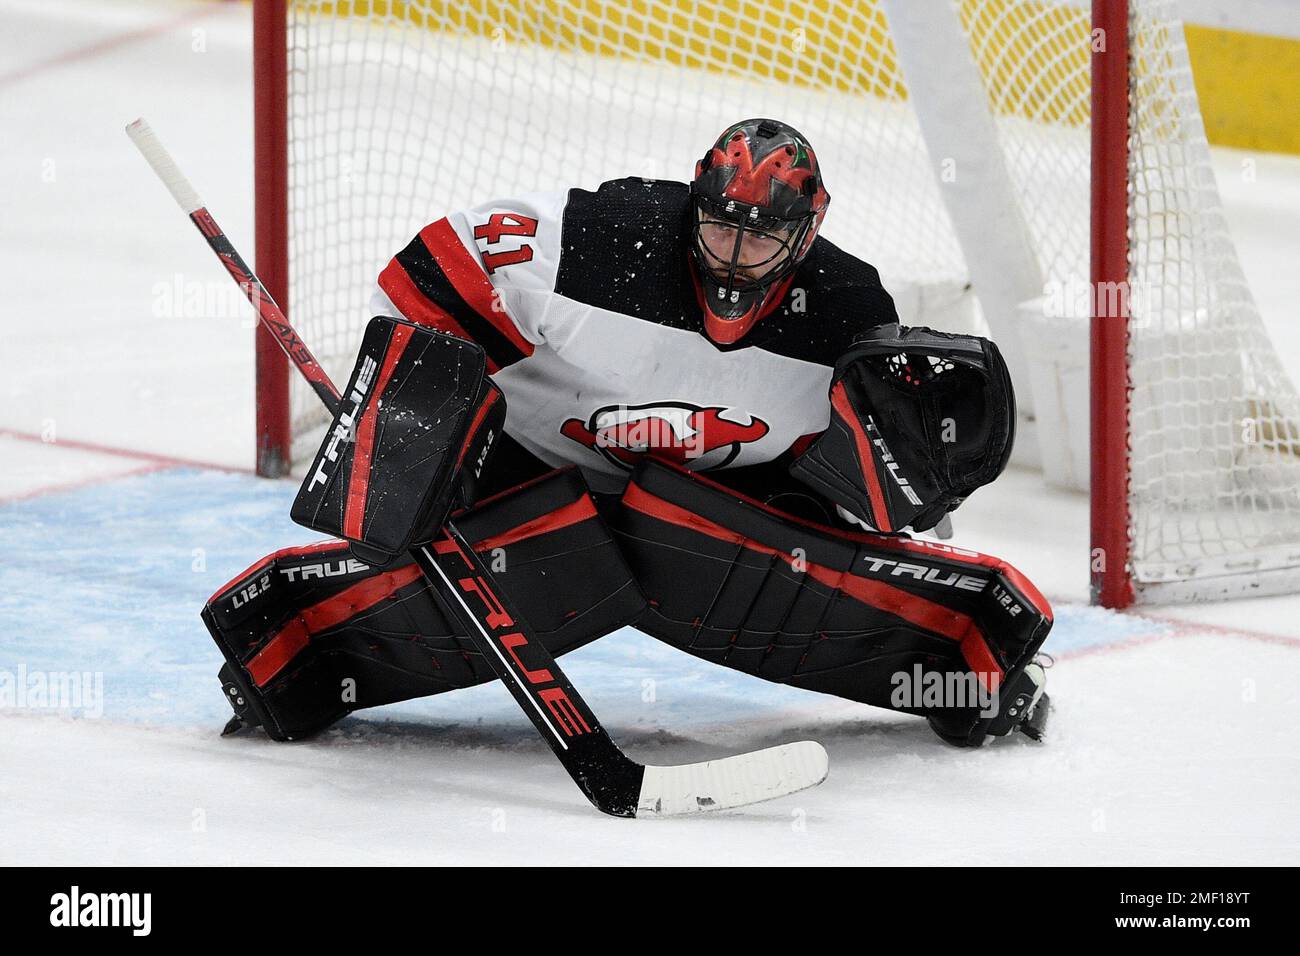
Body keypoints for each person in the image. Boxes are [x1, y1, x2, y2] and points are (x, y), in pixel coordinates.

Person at [205, 119, 1051, 749]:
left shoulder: (845, 315)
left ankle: (969, 663)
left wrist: (902, 527)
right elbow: (426, 272)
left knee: (677, 528)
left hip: (709, 496)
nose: (733, 256)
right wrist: (418, 436)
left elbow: (857, 485)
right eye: (720, 226)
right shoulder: (601, 242)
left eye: (762, 239)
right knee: (550, 541)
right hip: (521, 465)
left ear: (806, 237)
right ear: (692, 209)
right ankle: (286, 654)